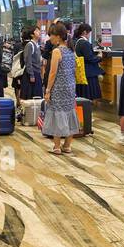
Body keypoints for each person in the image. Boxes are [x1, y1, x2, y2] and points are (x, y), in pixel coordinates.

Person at [42, 21, 82, 154]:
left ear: (58, 36)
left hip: (58, 88)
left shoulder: (57, 51)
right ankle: (67, 145)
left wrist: (47, 90)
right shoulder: (72, 50)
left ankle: (57, 147)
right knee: (70, 113)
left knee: (57, 115)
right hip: (71, 87)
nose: (50, 38)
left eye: (51, 35)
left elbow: (53, 73)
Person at [72, 23, 103, 103]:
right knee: (88, 96)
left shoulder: (78, 42)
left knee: (82, 95)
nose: (89, 35)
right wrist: (99, 57)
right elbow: (90, 58)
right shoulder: (85, 43)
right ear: (85, 32)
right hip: (88, 72)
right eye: (89, 33)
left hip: (82, 71)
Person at [18, 26, 42, 100]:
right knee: (30, 97)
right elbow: (28, 61)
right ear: (32, 34)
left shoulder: (37, 45)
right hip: (31, 74)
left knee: (37, 96)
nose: (39, 32)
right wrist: (31, 75)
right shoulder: (30, 45)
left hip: (37, 73)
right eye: (37, 31)